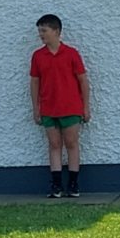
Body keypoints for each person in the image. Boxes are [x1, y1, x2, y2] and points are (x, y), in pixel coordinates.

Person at [29, 13, 91, 199]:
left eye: (44, 30)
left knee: (71, 143)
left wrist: (85, 107)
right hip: (49, 108)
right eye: (40, 31)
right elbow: (34, 83)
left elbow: (83, 80)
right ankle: (56, 185)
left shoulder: (71, 54)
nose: (41, 34)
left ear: (56, 31)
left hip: (70, 107)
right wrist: (36, 108)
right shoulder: (38, 56)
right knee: (54, 144)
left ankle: (73, 183)